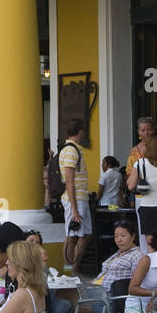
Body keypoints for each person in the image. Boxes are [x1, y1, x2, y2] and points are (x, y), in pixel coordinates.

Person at [59, 118, 92, 275]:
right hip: (75, 199)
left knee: (85, 234)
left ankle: (74, 266)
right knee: (72, 236)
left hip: (80, 198)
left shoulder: (73, 149)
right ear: (80, 131)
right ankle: (67, 271)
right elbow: (69, 181)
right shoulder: (71, 151)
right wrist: (74, 209)